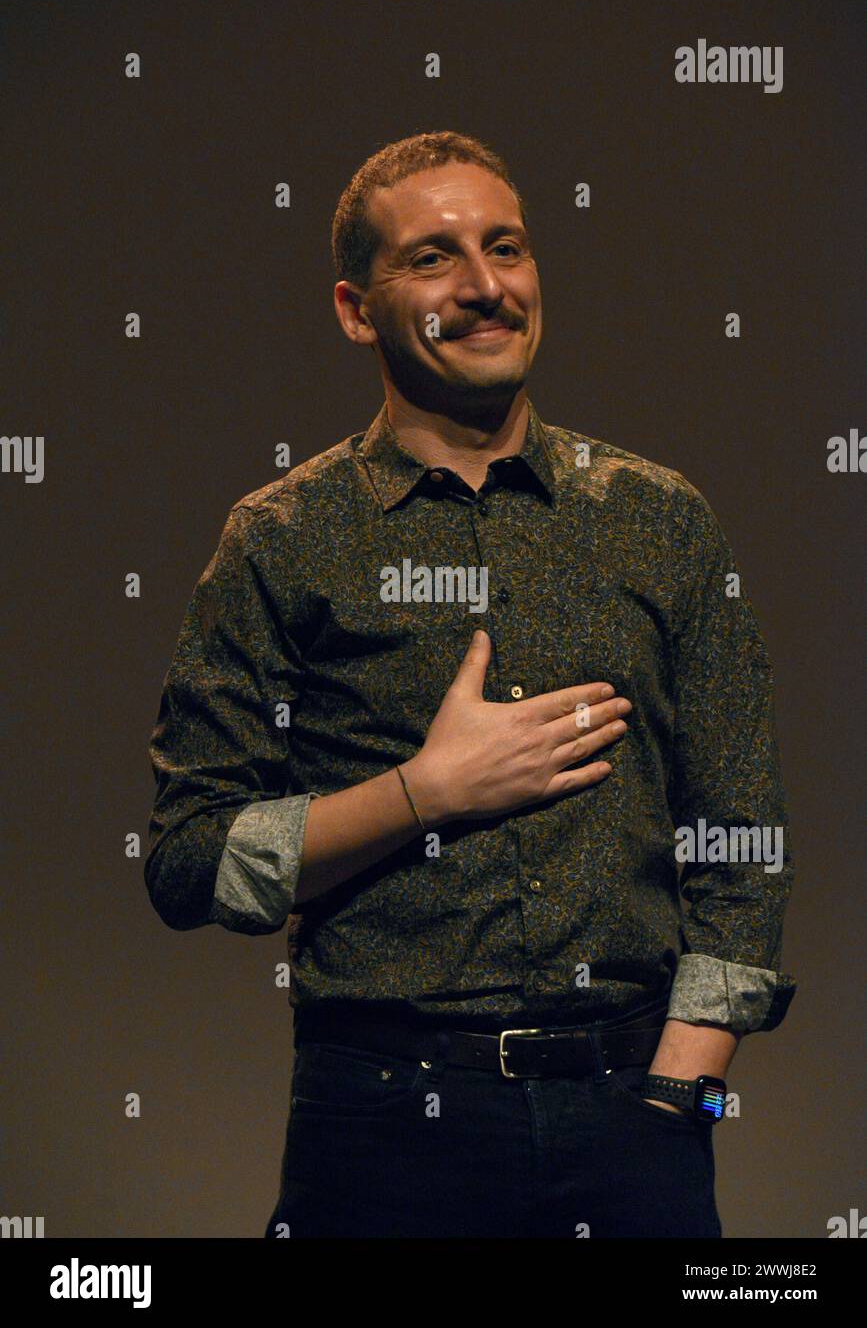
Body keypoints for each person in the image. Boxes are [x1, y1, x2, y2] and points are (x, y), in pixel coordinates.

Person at [145, 130, 797, 1238]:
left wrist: (685, 1084)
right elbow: (188, 860)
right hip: (383, 1119)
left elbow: (740, 833)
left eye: (507, 248)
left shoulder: (660, 518)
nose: (487, 286)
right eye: (436, 257)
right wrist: (424, 793)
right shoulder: (282, 540)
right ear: (357, 309)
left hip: (632, 1105)